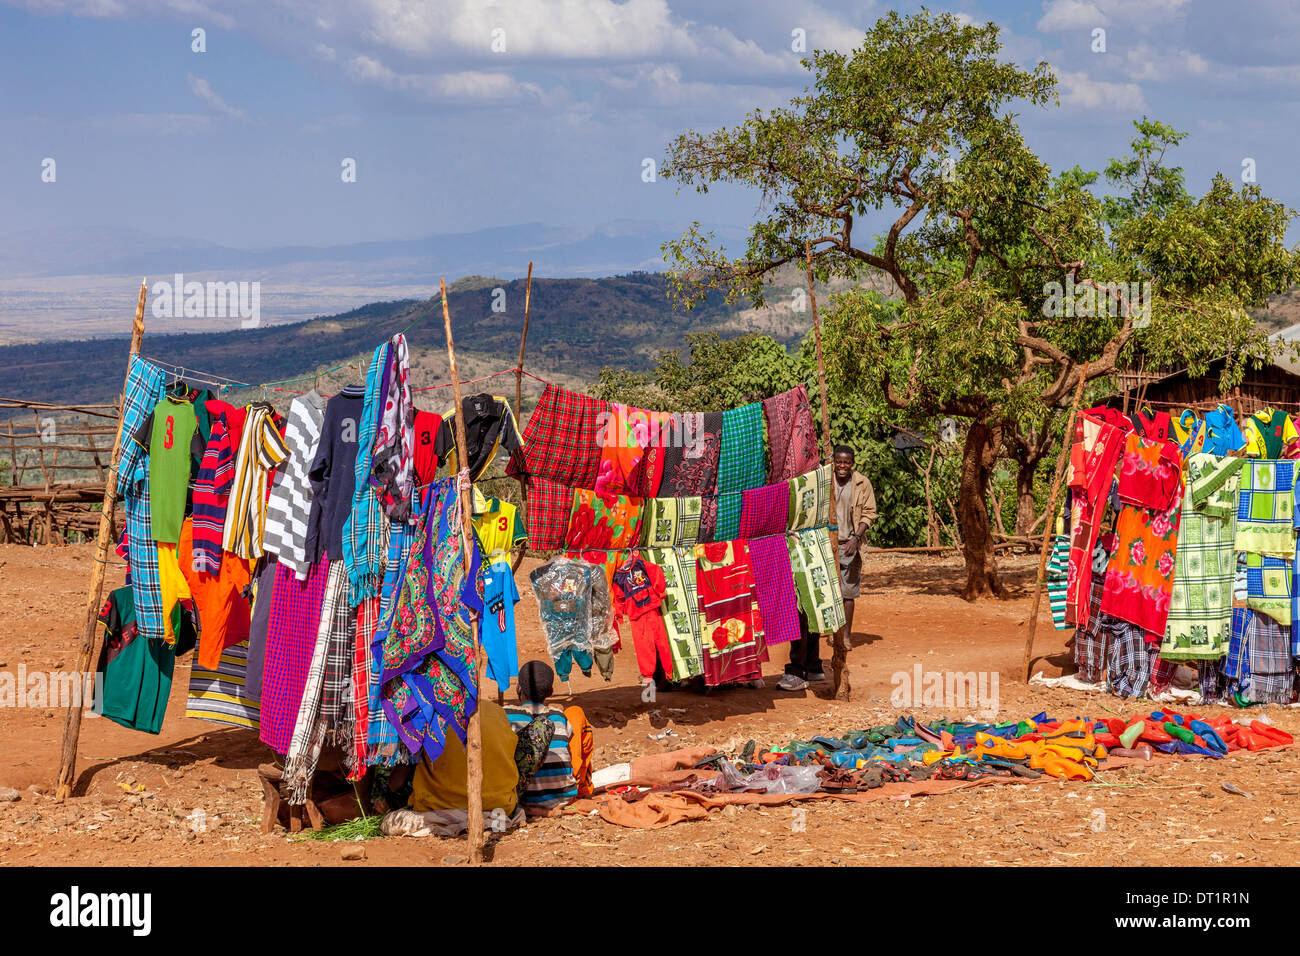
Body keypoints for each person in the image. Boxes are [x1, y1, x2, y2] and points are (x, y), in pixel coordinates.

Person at [778, 445, 876, 693]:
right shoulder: (822, 481)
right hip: (821, 545)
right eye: (839, 463)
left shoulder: (862, 484)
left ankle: (840, 638)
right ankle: (811, 665)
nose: (843, 467)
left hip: (848, 544)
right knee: (812, 600)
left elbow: (869, 513)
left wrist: (856, 537)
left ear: (852, 463)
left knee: (845, 593)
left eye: (847, 463)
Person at [403, 697, 524, 835]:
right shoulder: (497, 711)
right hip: (500, 805)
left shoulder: (427, 711)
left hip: (436, 806)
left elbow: (397, 783)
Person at [503, 660, 589, 817]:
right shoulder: (559, 716)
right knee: (577, 717)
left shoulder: (506, 715)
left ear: (519, 688)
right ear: (550, 692)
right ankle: (583, 786)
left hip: (523, 799)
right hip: (563, 798)